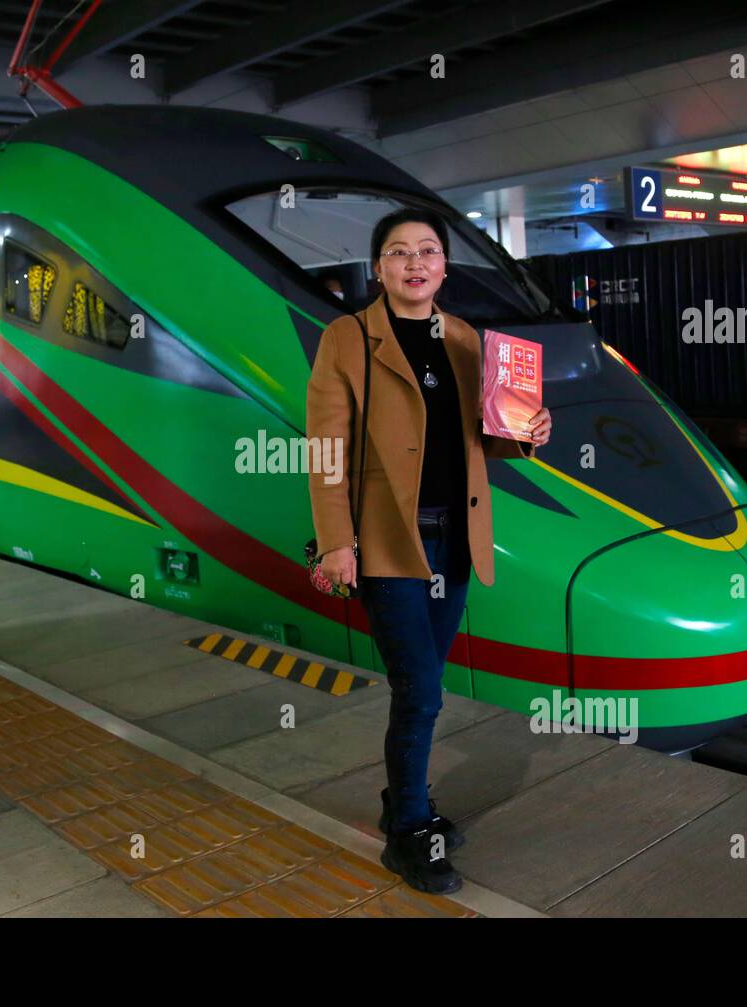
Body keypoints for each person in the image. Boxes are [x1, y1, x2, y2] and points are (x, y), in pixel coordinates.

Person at [306, 209, 553, 894]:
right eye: (398, 253)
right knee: (420, 689)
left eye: (427, 251)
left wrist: (528, 432)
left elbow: (487, 439)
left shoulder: (468, 339)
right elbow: (326, 451)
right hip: (389, 544)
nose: (415, 264)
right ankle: (409, 828)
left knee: (425, 686)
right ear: (378, 267)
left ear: (444, 265)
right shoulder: (348, 339)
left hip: (455, 543)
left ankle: (401, 800)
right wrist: (335, 543)